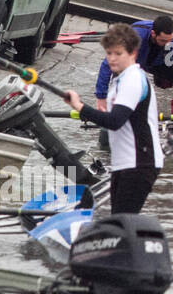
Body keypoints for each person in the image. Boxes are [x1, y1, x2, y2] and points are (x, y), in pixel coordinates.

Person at [63, 24, 161, 214]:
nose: (112, 59)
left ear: (133, 53)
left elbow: (115, 121)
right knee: (118, 218)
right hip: (125, 162)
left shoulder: (133, 79)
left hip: (140, 162)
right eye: (108, 53)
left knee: (122, 219)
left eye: (118, 53)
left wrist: (80, 107)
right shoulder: (120, 79)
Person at [96, 15, 173, 123]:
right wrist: (101, 96)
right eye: (163, 40)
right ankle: (115, 112)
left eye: (169, 40)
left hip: (159, 63)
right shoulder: (135, 35)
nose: (167, 44)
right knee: (119, 75)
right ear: (153, 34)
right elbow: (107, 64)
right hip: (135, 60)